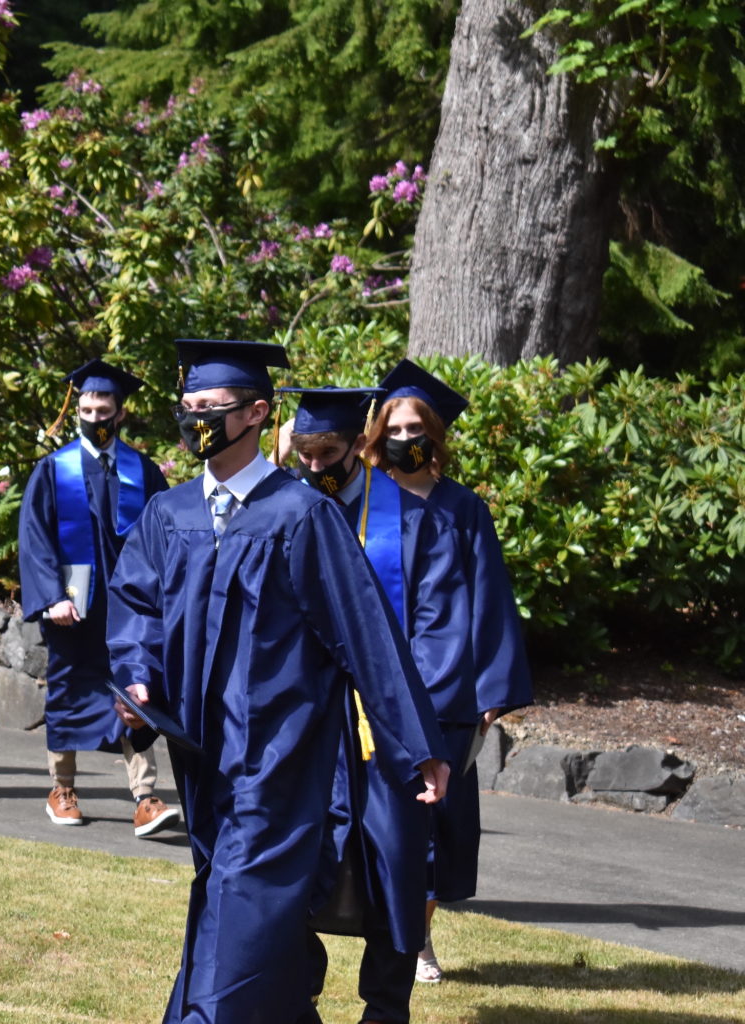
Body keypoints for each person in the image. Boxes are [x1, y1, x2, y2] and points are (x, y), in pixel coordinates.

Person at [107, 339, 449, 1024]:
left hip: (281, 753)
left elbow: (367, 636)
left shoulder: (301, 515)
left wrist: (416, 744)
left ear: (257, 412)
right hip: (200, 752)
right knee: (228, 888)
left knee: (244, 890)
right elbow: (134, 606)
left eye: (211, 407)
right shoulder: (168, 515)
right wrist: (137, 677)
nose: (194, 418)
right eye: (188, 406)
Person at [283, 385, 472, 1023]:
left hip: (383, 727)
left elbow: (439, 633)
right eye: (303, 454)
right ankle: (295, 996)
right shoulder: (287, 512)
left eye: (328, 452)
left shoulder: (415, 520)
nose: (316, 467)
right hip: (304, 725)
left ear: (358, 444)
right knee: (292, 862)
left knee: (395, 867)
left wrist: (408, 725)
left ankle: (386, 1009)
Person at [369, 359, 534, 983]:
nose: (405, 438)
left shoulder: (464, 509)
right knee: (378, 816)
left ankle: (419, 940)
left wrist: (492, 688)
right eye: (394, 427)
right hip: (377, 685)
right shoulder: (362, 502)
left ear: (434, 436)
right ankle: (382, 928)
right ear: (378, 433)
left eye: (416, 428)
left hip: (448, 687)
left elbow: (490, 598)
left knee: (437, 821)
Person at [18, 358, 176, 836]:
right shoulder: (54, 469)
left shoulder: (141, 471)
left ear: (120, 414)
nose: (94, 419)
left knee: (135, 689)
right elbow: (35, 537)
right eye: (86, 410)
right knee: (68, 691)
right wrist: (52, 597)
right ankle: (61, 789)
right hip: (76, 596)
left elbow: (162, 535)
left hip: (127, 601)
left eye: (103, 411)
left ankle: (145, 796)